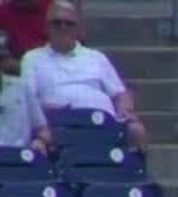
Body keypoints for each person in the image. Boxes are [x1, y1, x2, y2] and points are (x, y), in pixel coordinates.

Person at [19, 1, 146, 149]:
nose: (63, 27)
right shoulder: (32, 58)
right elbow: (28, 98)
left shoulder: (96, 57)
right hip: (58, 125)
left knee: (136, 130)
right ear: (46, 27)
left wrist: (127, 112)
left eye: (69, 23)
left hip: (103, 124)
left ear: (77, 29)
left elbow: (120, 94)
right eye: (57, 22)